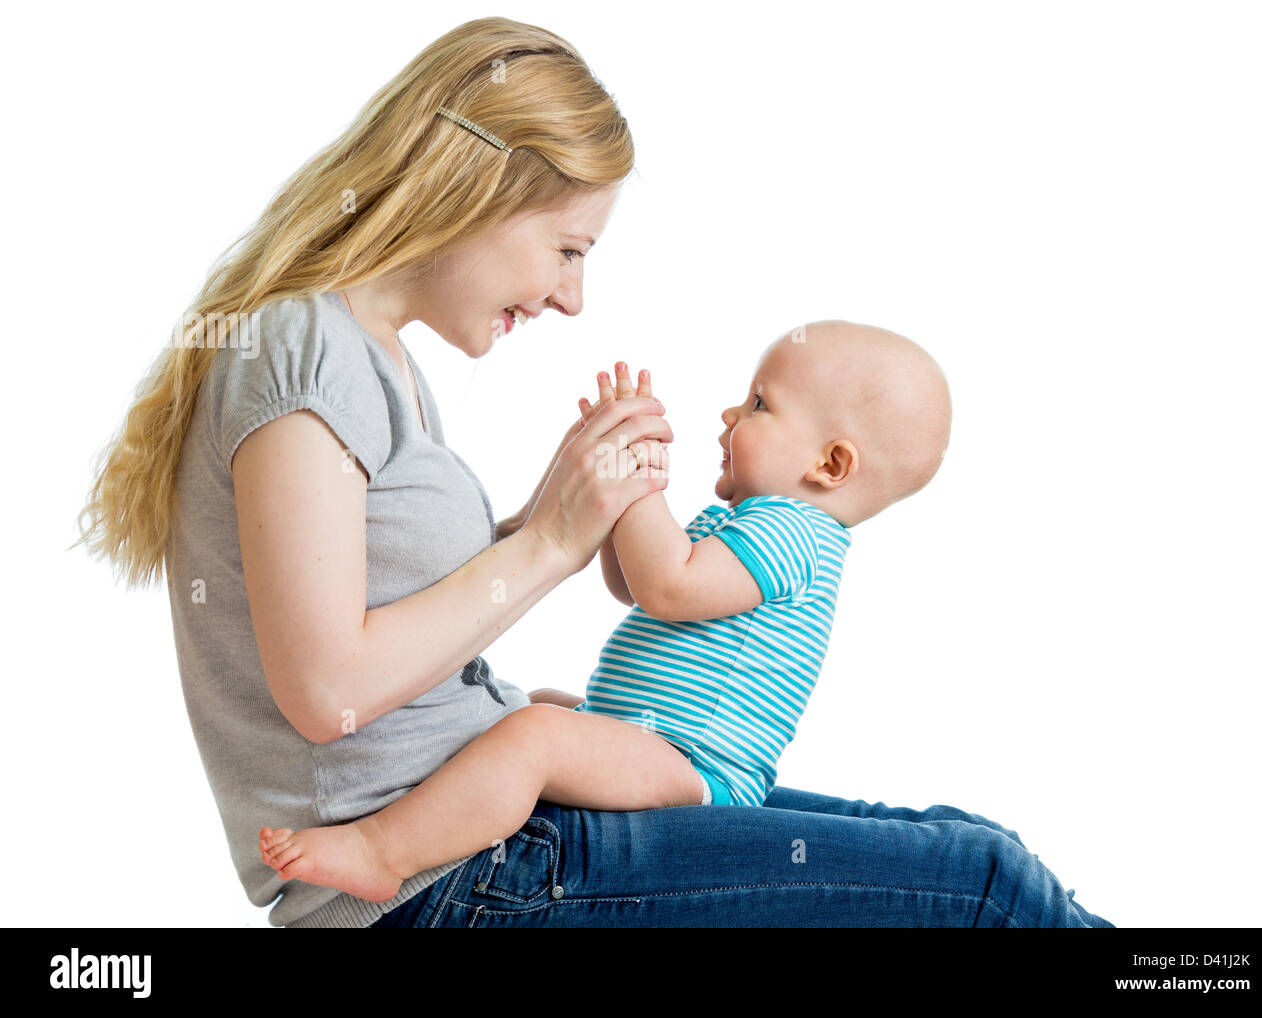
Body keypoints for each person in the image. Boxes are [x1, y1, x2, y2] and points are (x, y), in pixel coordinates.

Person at [75, 16, 1113, 927]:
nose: (573, 297)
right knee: (983, 886)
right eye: (568, 247)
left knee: (961, 843)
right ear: (479, 190)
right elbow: (328, 690)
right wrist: (549, 542)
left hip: (489, 840)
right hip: (453, 883)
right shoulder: (304, 349)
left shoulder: (371, 361)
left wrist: (555, 514)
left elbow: (394, 621)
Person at [255, 321, 959, 906]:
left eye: (759, 406)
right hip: (652, 740)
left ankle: (384, 850)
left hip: (694, 768)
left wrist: (636, 483)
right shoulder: (752, 524)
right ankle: (439, 821)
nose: (729, 416)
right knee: (536, 711)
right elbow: (633, 582)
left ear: (830, 466)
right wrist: (620, 491)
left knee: (533, 736)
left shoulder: (793, 532)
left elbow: (669, 587)